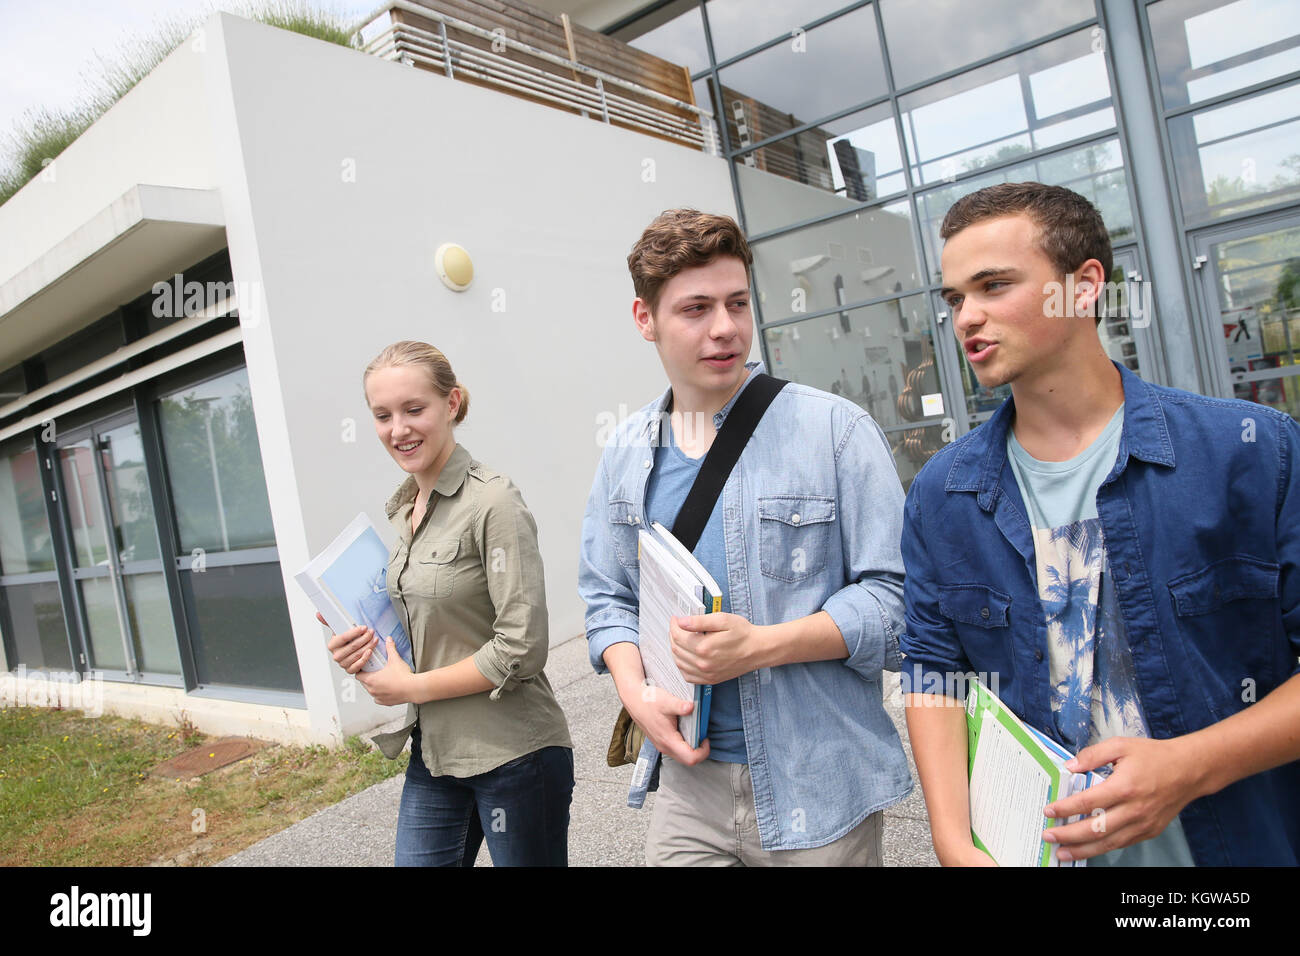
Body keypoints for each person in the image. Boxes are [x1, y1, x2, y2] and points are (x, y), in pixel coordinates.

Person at [900, 182, 1300, 866]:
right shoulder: (944, 492)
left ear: (1083, 288)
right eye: (955, 298)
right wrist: (951, 836)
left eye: (994, 285)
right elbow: (932, 672)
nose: (967, 316)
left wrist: (1192, 766)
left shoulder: (1249, 452)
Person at [578, 209, 912, 866]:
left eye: (736, 303)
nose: (725, 327)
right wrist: (632, 691)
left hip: (819, 783)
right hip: (687, 786)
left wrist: (762, 646)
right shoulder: (624, 452)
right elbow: (607, 594)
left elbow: (899, 604)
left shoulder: (836, 433)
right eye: (696, 308)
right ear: (645, 320)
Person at [321, 340, 574, 866]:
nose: (398, 429)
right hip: (435, 755)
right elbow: (429, 626)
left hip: (515, 756)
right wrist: (360, 647)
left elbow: (522, 649)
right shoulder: (404, 510)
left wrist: (409, 687)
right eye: (383, 415)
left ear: (452, 403)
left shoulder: (493, 502)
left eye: (415, 409)